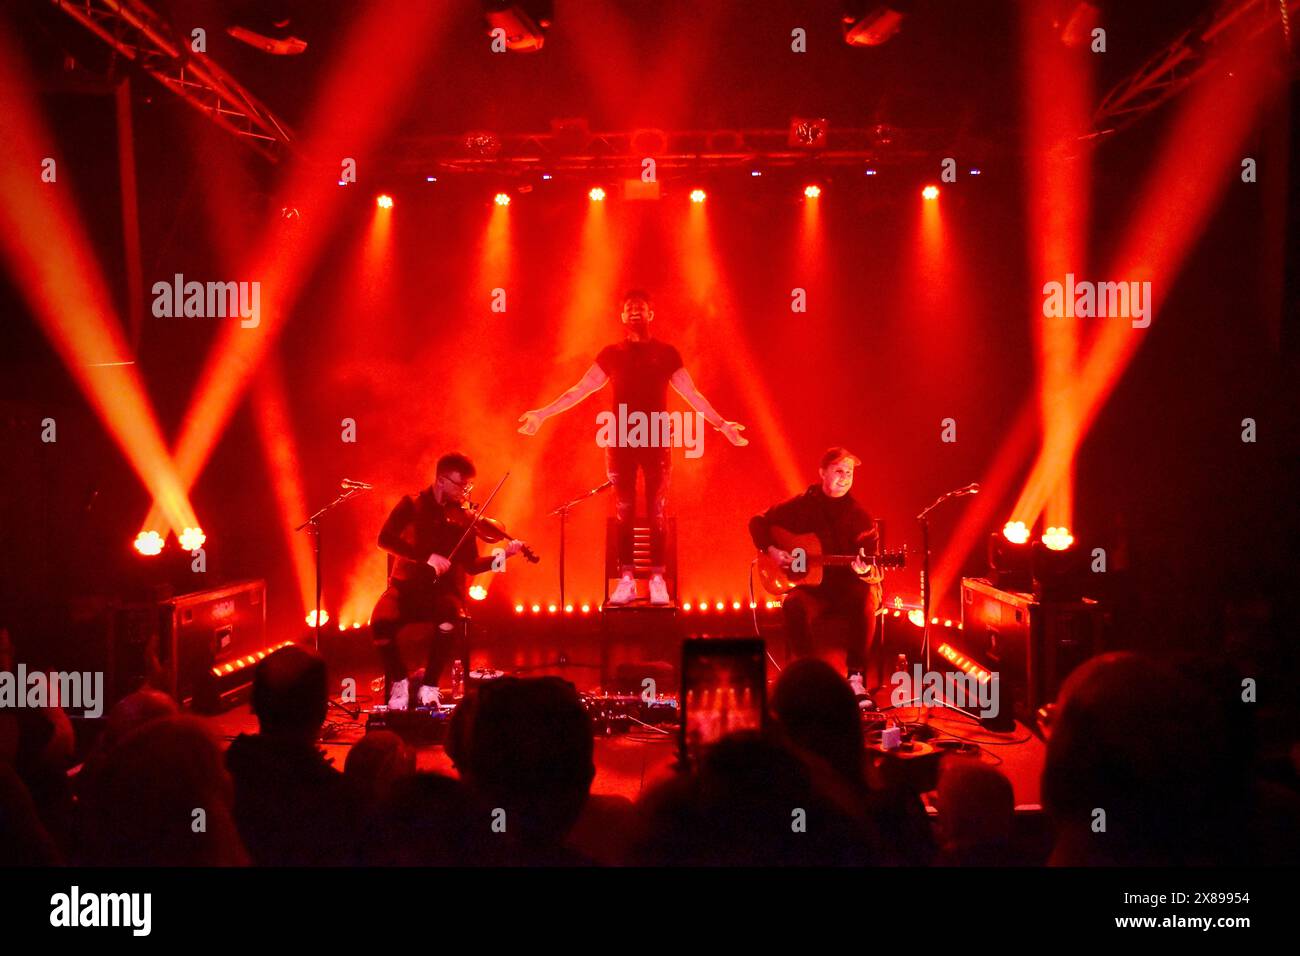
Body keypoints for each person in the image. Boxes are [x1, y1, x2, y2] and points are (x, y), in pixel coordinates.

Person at [518, 289, 748, 606]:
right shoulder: (612, 355)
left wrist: (722, 425)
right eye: (629, 308)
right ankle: (626, 579)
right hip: (620, 441)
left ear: (651, 314)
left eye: (641, 307)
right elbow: (578, 391)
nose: (635, 312)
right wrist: (542, 414)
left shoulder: (667, 354)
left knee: (657, 510)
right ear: (622, 316)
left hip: (655, 440)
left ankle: (656, 578)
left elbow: (693, 395)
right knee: (624, 511)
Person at [371, 452, 525, 709]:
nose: (465, 491)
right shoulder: (410, 504)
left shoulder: (463, 520)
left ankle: (430, 686)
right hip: (405, 587)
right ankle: (399, 682)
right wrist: (426, 557)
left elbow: (473, 567)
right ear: (441, 481)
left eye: (467, 485)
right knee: (379, 622)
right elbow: (383, 540)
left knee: (449, 616)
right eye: (460, 484)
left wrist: (504, 556)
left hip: (440, 592)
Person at [749, 447, 884, 701]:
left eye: (850, 472)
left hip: (847, 592)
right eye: (839, 471)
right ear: (822, 472)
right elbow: (757, 521)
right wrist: (774, 550)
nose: (845, 477)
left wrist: (866, 571)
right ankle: (809, 676)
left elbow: (876, 571)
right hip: (813, 591)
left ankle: (855, 678)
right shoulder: (800, 506)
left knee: (866, 600)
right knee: (792, 604)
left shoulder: (861, 519)